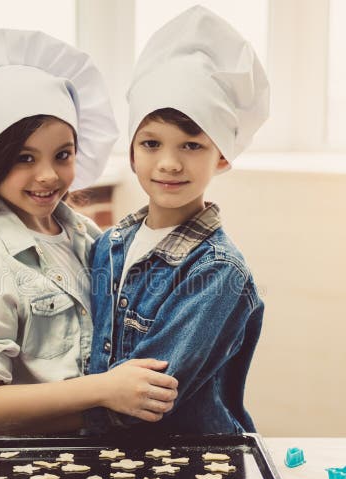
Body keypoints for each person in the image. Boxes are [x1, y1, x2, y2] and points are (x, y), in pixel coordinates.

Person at [0, 29, 179, 437]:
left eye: (63, 155)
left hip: (86, 450)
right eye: (24, 158)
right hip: (32, 464)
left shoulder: (81, 233)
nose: (47, 175)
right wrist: (104, 391)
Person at [83, 6, 270, 436]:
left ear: (221, 154)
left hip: (190, 471)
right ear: (131, 152)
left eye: (191, 145)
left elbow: (143, 403)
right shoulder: (109, 244)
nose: (169, 163)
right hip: (117, 467)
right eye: (151, 143)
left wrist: (12, 412)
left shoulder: (217, 271)